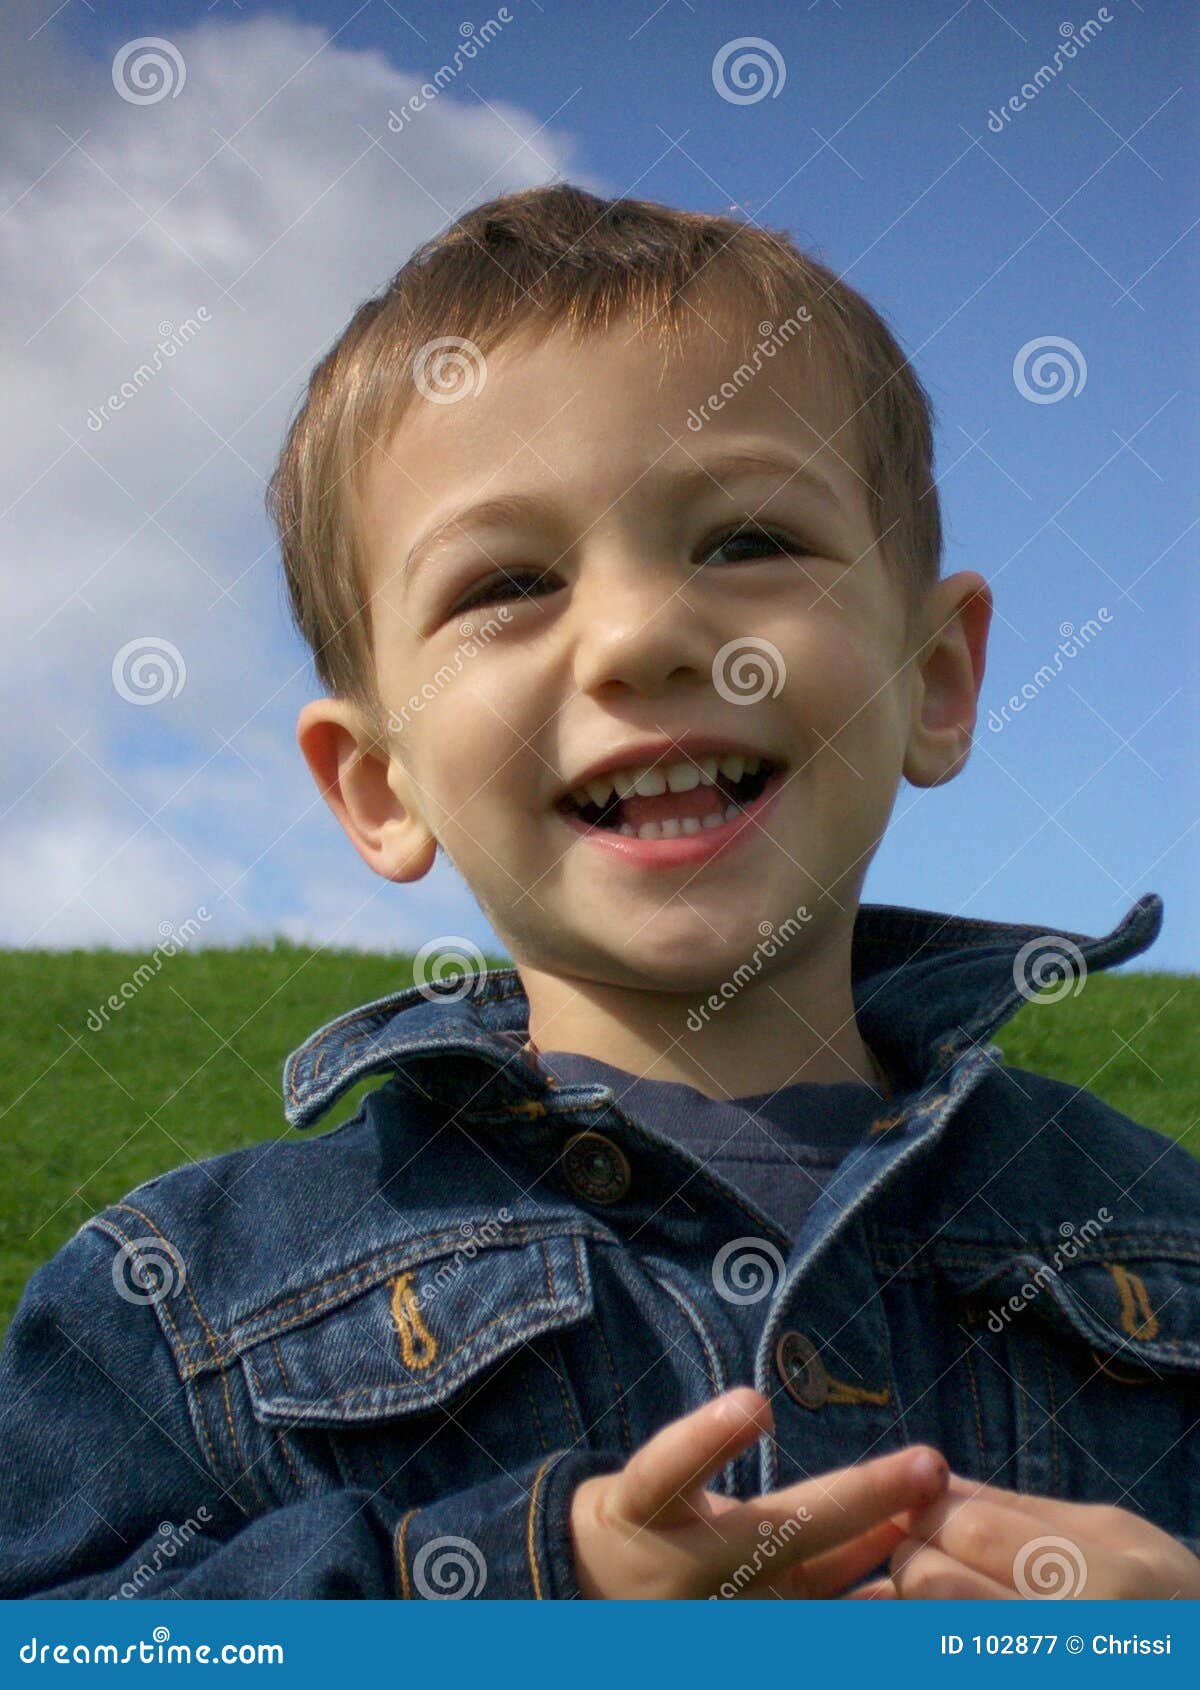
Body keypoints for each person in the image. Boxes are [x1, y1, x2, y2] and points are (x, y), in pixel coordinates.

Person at [1, 184, 1197, 1601]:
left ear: (934, 677)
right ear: (377, 786)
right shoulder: (176, 1307)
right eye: (509, 580)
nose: (641, 635)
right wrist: (523, 1596)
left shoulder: (1162, 1230)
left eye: (749, 540)